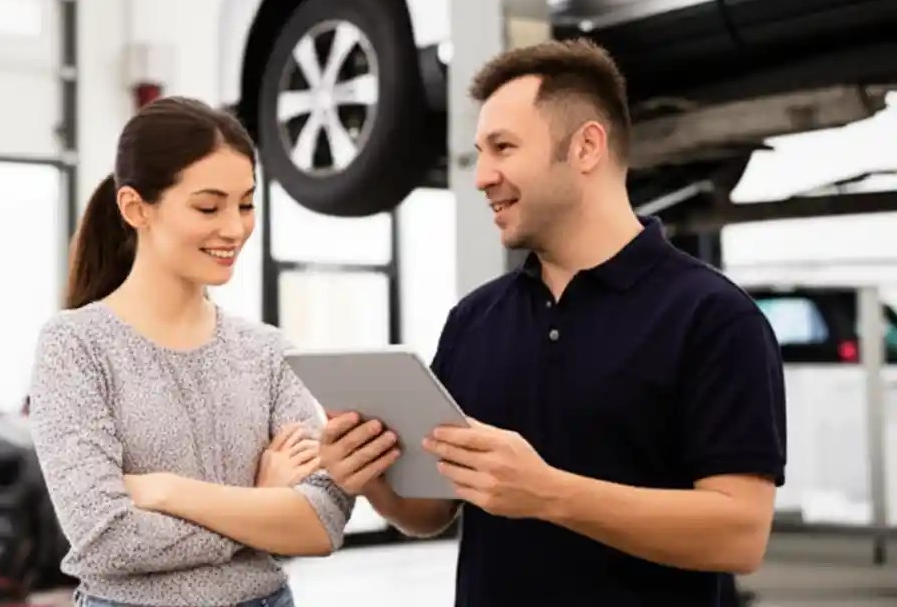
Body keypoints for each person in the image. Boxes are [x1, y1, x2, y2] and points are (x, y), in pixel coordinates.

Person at [318, 38, 787, 606]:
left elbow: (738, 536)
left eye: (504, 147)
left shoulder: (713, 316)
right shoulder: (474, 319)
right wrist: (371, 474)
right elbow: (430, 513)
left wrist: (548, 494)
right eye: (480, 152)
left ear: (586, 146)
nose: (481, 176)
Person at [28, 96, 353, 607]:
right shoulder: (76, 346)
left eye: (246, 204)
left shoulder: (269, 353)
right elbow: (104, 539)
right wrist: (263, 508)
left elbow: (321, 523)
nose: (234, 228)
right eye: (208, 206)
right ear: (136, 208)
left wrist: (166, 492)